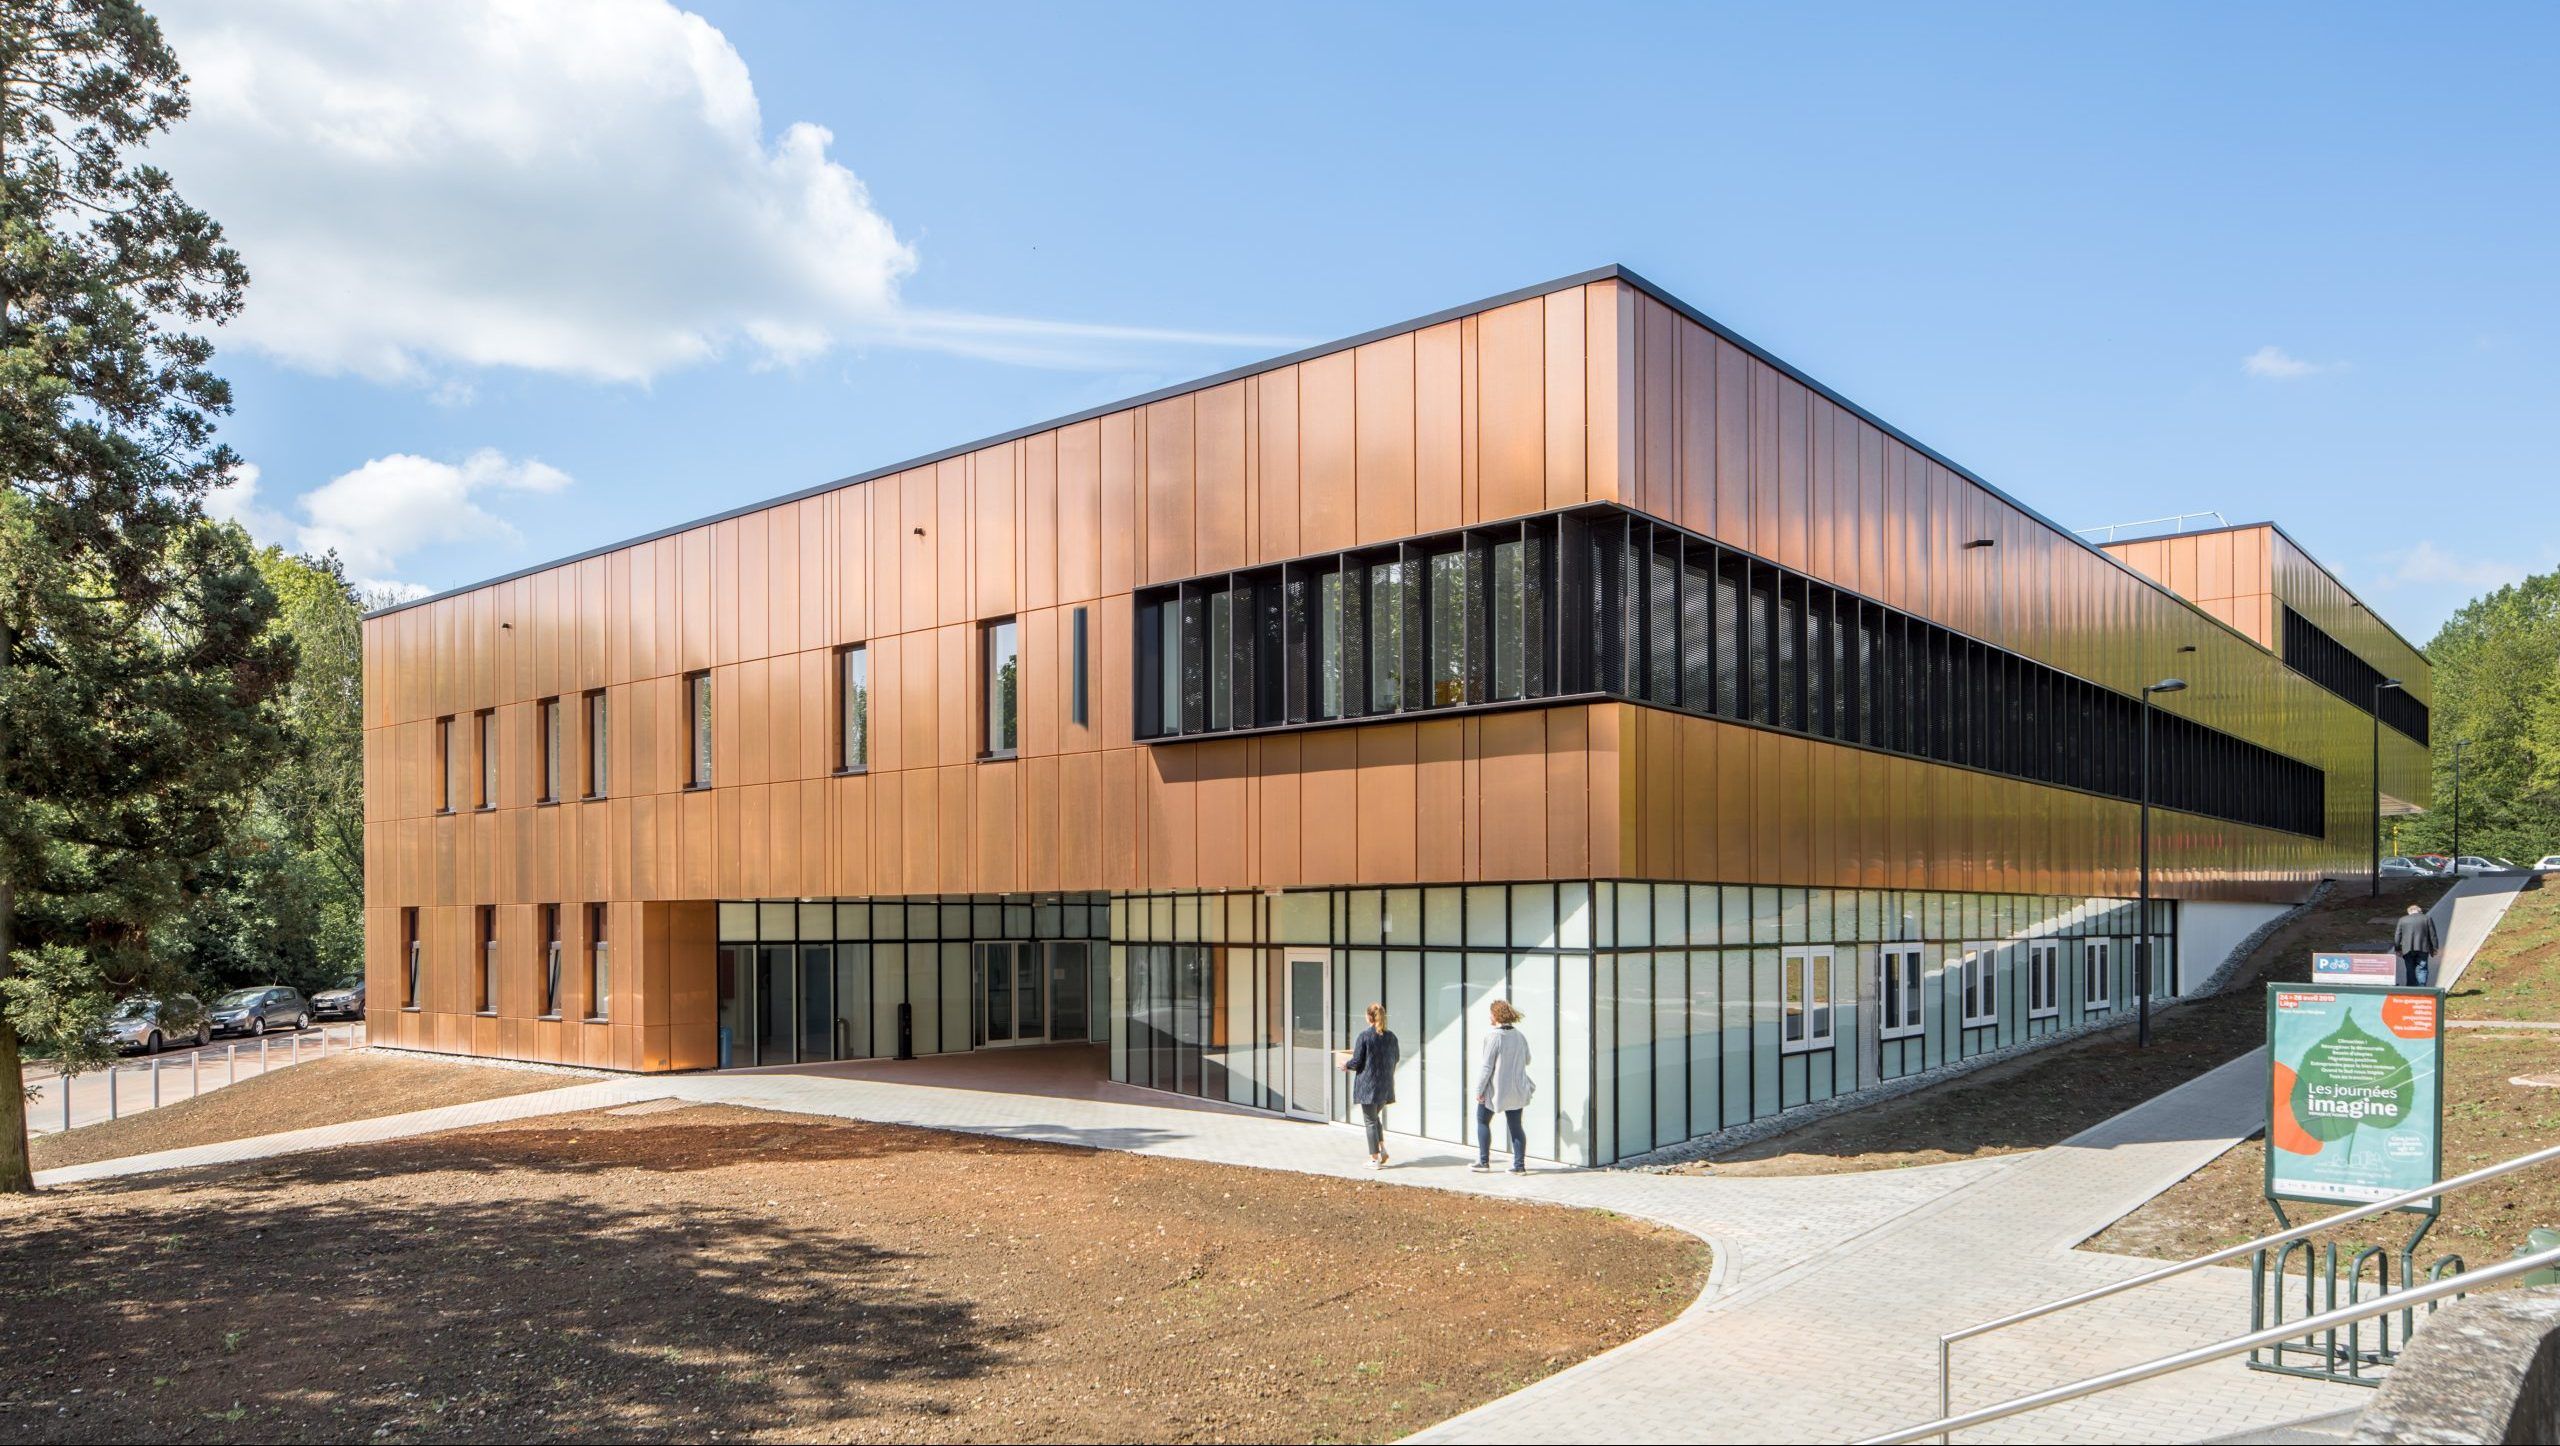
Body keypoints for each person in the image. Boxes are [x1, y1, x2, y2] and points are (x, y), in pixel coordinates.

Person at [1472, 998, 1535, 1175]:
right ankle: (1519, 1166)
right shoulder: (1519, 1036)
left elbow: (1487, 1067)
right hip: (1517, 1089)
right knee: (1516, 1126)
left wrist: (1479, 1090)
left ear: (1496, 1015)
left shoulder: (1494, 1036)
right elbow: (1528, 1060)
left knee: (1482, 1120)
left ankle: (1484, 1162)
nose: (1489, 1017)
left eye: (1491, 1013)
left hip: (1495, 1090)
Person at [1340, 1002, 1401, 1169]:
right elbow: (1396, 1058)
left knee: (1370, 1121)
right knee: (1374, 1118)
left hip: (1368, 1087)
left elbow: (1357, 1060)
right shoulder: (1391, 1037)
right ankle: (1382, 1150)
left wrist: (1346, 1065)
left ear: (1369, 1017)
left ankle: (1374, 1159)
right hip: (1385, 1086)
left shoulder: (1364, 1036)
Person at [2394, 903, 2441, 987]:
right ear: (2419, 911)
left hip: (2407, 949)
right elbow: (2433, 934)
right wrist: (2435, 948)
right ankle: (2421, 988)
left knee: (2410, 969)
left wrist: (2397, 949)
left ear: (2409, 912)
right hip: (2423, 948)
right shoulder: (2427, 918)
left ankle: (2411, 989)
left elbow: (2397, 935)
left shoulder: (2402, 919)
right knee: (2422, 969)